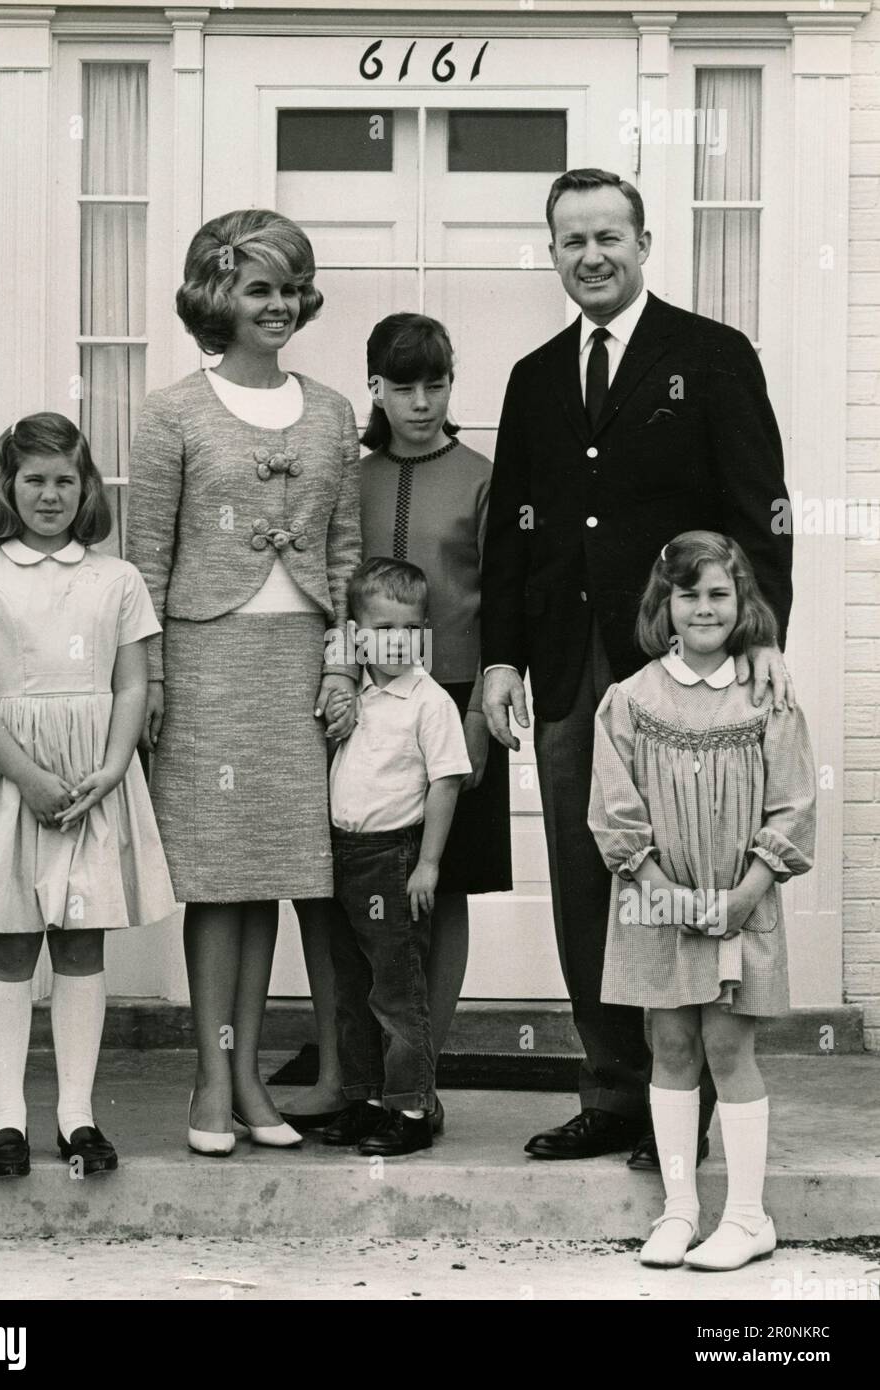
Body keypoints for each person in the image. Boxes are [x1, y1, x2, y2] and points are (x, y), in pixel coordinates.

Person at [481, 168, 795, 1165]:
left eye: (609, 236)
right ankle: (615, 1089)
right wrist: (500, 658)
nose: (592, 256)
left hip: (691, 675)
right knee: (594, 877)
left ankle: (692, 1099)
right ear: (553, 253)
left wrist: (758, 643)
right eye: (572, 240)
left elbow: (760, 512)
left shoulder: (709, 356)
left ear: (645, 242)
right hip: (575, 673)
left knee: (696, 872)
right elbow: (513, 534)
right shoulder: (533, 376)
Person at [126, 208, 361, 1156]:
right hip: (205, 660)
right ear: (218, 297)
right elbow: (142, 557)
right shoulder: (170, 411)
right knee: (217, 881)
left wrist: (344, 663)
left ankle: (251, 1079)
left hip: (299, 663)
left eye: (289, 287)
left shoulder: (336, 410)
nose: (278, 304)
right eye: (258, 287)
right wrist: (149, 676)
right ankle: (206, 1082)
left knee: (271, 876)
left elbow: (342, 554)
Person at [0, 413, 176, 1178]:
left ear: (86, 486)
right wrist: (27, 776)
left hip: (93, 776)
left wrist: (112, 766)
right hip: (10, 775)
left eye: (65, 479)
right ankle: (5, 1117)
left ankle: (77, 1115)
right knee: (12, 939)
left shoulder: (115, 578)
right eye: (35, 480)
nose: (50, 495)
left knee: (81, 940)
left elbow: (132, 682)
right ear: (9, 487)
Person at [282, 313, 512, 1131]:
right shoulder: (353, 478)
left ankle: (423, 1076)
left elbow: (501, 597)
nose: (420, 401)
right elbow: (333, 583)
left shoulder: (485, 476)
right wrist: (340, 676)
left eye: (435, 383)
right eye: (402, 385)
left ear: (451, 384)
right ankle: (351, 1074)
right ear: (373, 386)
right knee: (347, 887)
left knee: (440, 887)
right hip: (364, 704)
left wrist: (484, 704)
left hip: (451, 701)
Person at [588, 531, 815, 1269]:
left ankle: (748, 1218)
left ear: (741, 602)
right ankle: (679, 1210)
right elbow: (615, 816)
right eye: (688, 595)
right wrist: (661, 892)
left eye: (719, 593)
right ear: (665, 605)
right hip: (659, 904)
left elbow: (790, 806)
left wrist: (747, 892)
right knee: (672, 1043)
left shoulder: (766, 697)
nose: (704, 608)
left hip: (739, 903)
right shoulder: (630, 701)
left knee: (726, 1042)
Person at [319, 558, 471, 1156]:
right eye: (381, 627)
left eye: (410, 628)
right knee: (349, 987)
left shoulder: (428, 703)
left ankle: (412, 1108)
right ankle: (366, 1100)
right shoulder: (351, 694)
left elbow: (446, 783)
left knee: (397, 992)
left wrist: (428, 864)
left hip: (393, 858)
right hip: (342, 855)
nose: (396, 640)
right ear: (354, 634)